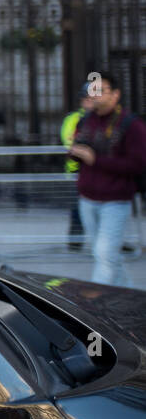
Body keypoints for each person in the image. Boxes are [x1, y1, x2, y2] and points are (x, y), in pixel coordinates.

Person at [67, 72, 146, 288]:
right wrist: (76, 152)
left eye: (101, 90)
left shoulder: (131, 125)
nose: (95, 95)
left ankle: (95, 306)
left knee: (104, 254)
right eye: (93, 90)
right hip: (88, 197)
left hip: (115, 200)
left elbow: (137, 164)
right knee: (107, 256)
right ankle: (128, 299)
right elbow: (78, 153)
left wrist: (96, 160)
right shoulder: (85, 120)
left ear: (116, 95)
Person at [61, 83, 95, 248]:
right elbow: (69, 141)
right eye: (86, 99)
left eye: (92, 99)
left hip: (99, 170)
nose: (89, 102)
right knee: (76, 209)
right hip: (76, 170)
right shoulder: (74, 118)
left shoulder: (106, 119)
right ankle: (75, 242)